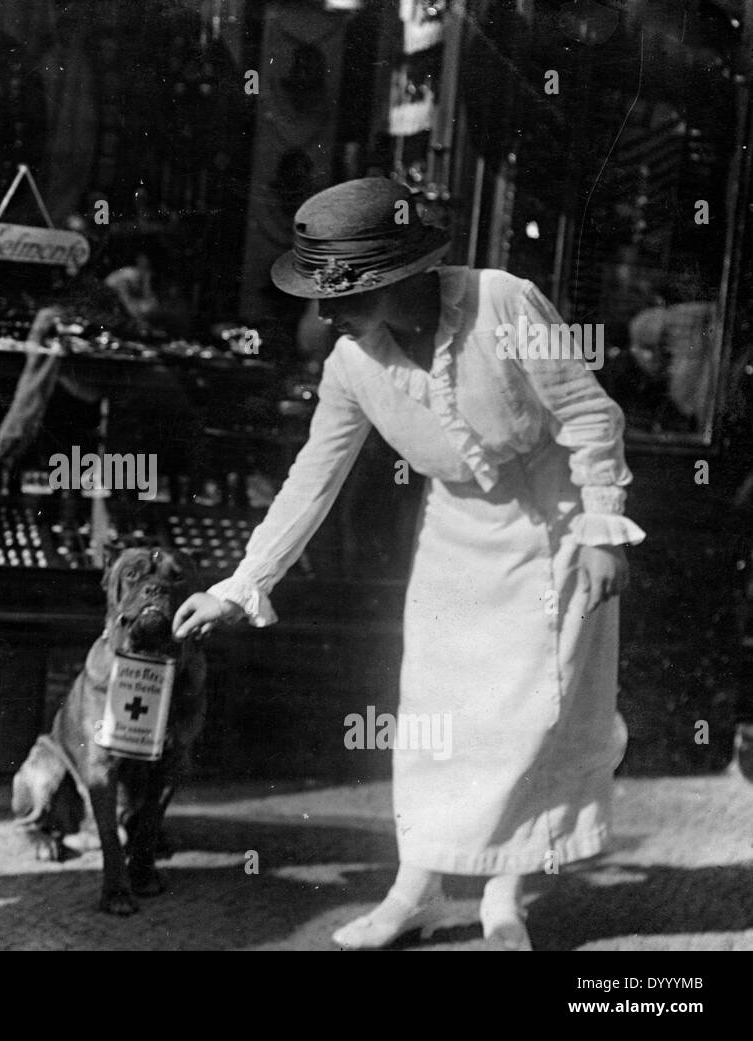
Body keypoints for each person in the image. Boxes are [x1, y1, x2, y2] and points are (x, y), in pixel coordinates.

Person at [173, 178, 645, 950]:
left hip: (556, 521)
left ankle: (504, 899)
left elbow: (590, 414)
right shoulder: (352, 364)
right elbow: (310, 481)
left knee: (529, 717)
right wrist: (242, 583)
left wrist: (600, 527)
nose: (328, 314)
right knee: (435, 719)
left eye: (345, 293)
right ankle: (414, 891)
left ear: (399, 277)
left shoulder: (502, 300)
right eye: (322, 296)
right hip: (457, 533)